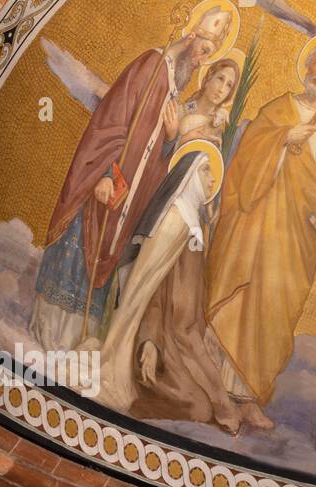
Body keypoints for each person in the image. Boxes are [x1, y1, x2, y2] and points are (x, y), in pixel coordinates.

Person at [30, 4, 234, 351]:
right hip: (108, 182)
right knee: (80, 250)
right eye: (200, 48)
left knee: (105, 259)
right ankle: (51, 336)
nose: (199, 59)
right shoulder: (152, 65)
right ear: (189, 36)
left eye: (207, 54)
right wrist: (104, 171)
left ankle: (77, 344)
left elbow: (157, 156)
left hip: (129, 198)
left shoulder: (173, 88)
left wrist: (171, 138)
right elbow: (113, 116)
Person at [204, 33, 316, 428]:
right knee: (242, 295)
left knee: (275, 307)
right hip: (255, 221)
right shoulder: (280, 108)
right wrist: (281, 140)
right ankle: (216, 393)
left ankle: (249, 394)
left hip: (300, 233)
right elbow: (244, 157)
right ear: (306, 66)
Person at [96, 141, 242, 434]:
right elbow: (151, 286)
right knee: (199, 408)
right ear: (186, 177)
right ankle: (131, 411)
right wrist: (149, 341)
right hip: (163, 338)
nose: (213, 180)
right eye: (205, 171)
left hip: (186, 338)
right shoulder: (175, 220)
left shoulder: (194, 225)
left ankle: (222, 407)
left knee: (208, 402)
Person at [177, 55, 240, 147]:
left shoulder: (220, 127)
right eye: (220, 79)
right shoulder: (184, 110)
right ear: (208, 79)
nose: (222, 89)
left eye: (229, 85)